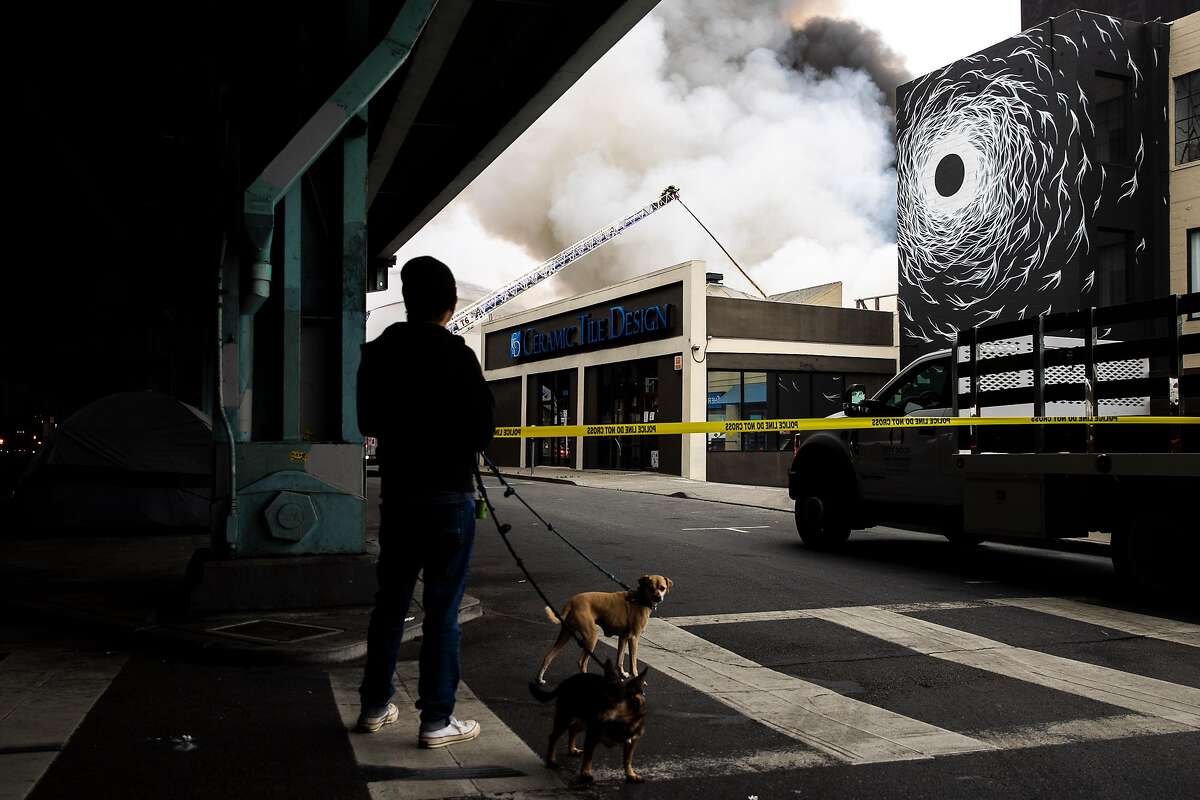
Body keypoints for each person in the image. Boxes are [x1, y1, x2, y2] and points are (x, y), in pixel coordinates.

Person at [356, 256, 494, 748]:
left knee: (390, 605)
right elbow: (483, 431)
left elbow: (366, 422)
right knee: (442, 610)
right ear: (450, 304)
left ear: (408, 300)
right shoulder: (460, 356)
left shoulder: (377, 352)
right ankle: (437, 720)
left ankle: (374, 706)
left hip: (400, 497)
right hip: (450, 498)